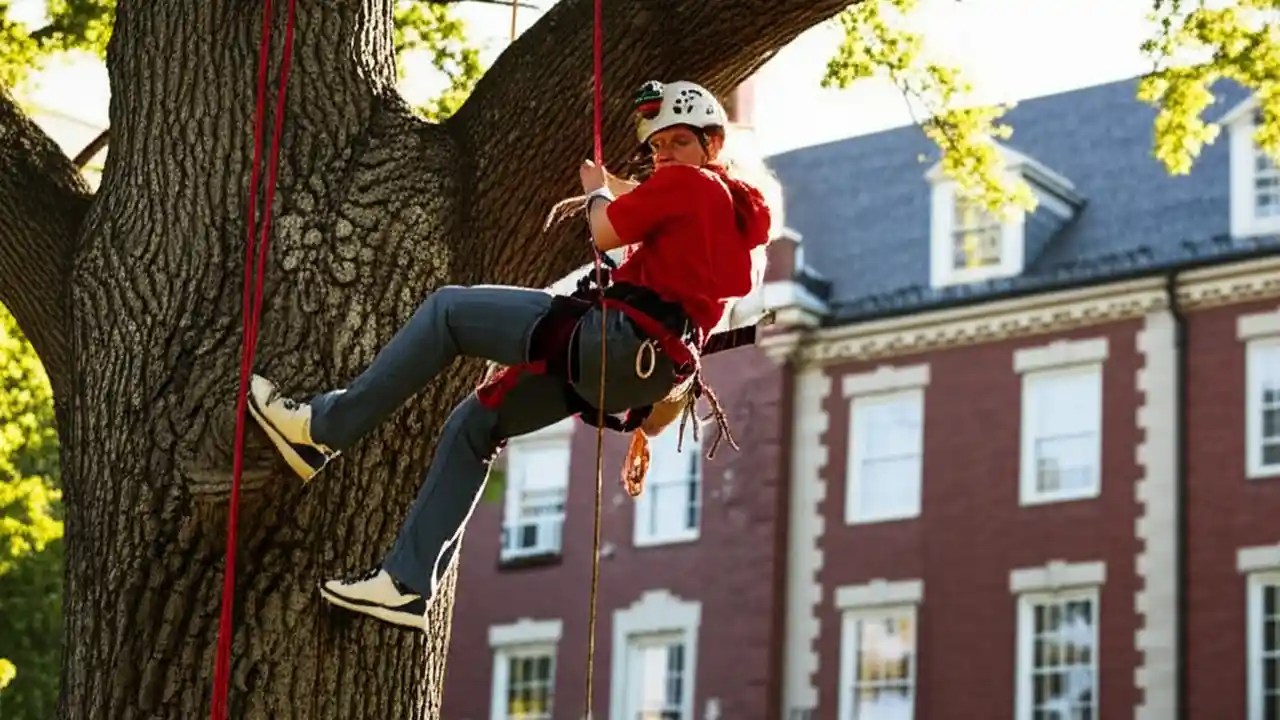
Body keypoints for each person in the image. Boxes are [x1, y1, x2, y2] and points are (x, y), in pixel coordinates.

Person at [245, 79, 775, 630]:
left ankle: (322, 430)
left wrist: (596, 190)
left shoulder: (691, 185)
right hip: (636, 375)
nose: (664, 155)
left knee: (450, 312)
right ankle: (405, 583)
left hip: (609, 340)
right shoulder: (729, 222)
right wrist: (618, 184)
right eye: (657, 146)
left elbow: (605, 227)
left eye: (679, 142)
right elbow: (646, 199)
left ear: (713, 146)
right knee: (477, 424)